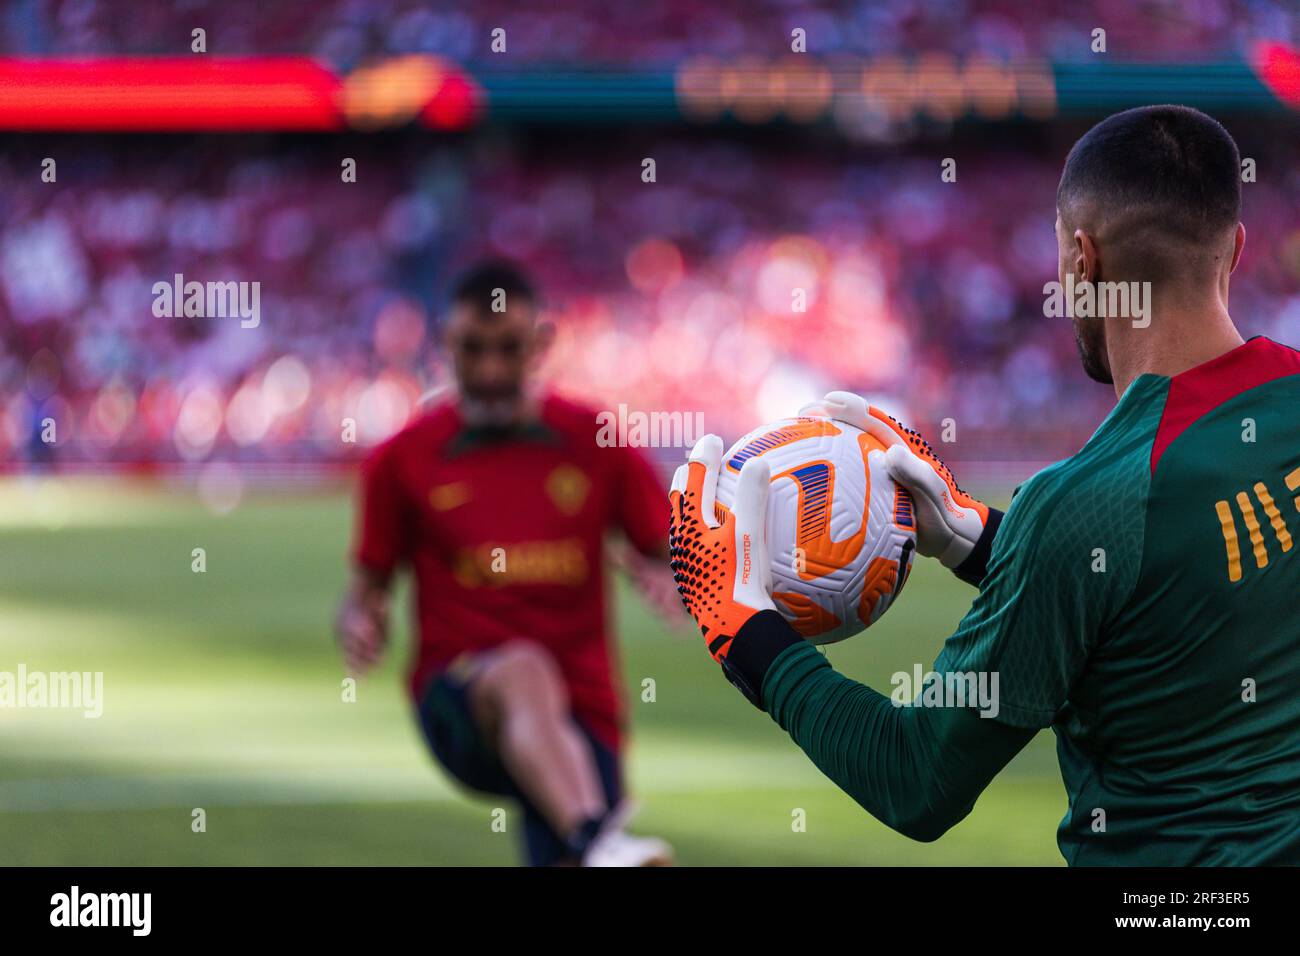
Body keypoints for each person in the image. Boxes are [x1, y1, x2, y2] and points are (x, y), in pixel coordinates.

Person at [668, 105, 1300, 865]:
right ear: (1234, 248)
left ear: (1081, 261)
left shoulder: (1087, 502)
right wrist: (980, 537)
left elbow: (915, 777)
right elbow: (1170, 596)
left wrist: (740, 625)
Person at [339, 261, 674, 866]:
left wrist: (671, 575)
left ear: (542, 345)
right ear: (444, 343)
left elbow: (668, 547)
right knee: (523, 669)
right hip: (461, 698)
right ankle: (596, 837)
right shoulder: (401, 459)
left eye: (509, 349)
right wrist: (360, 622)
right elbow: (366, 589)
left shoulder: (596, 441)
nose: (490, 369)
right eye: (473, 349)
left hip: (584, 708)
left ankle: (590, 841)